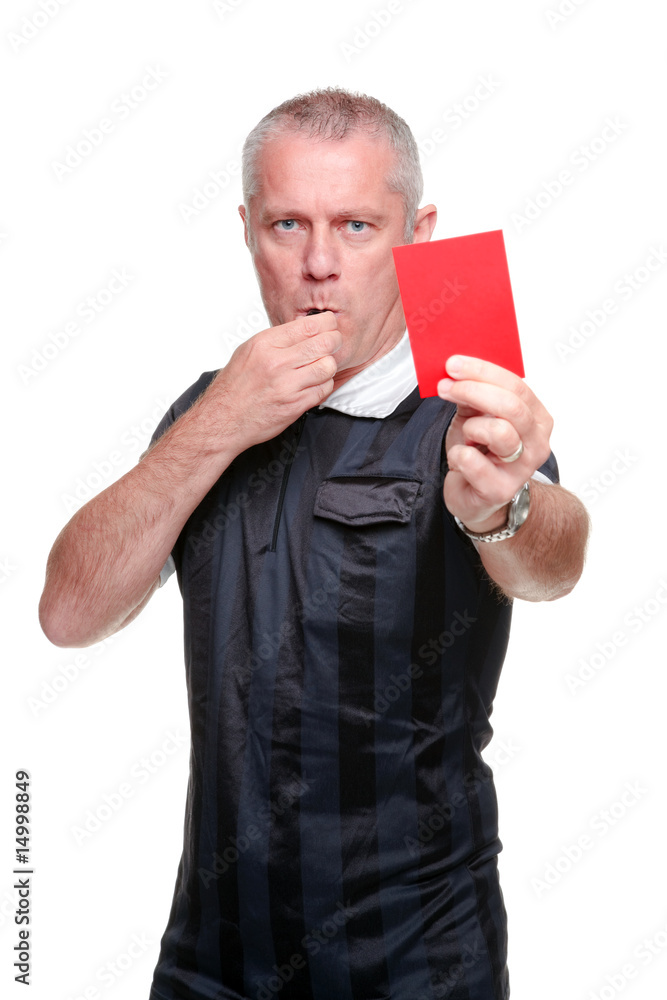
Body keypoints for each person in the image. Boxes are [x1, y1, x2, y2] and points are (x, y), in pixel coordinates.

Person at [39, 88, 590, 1000]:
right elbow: (67, 614)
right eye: (287, 225)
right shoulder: (206, 412)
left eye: (356, 227)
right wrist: (218, 423)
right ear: (247, 231)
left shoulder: (468, 417)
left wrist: (504, 507)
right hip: (211, 962)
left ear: (416, 236)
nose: (319, 265)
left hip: (415, 963)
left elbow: (555, 563)